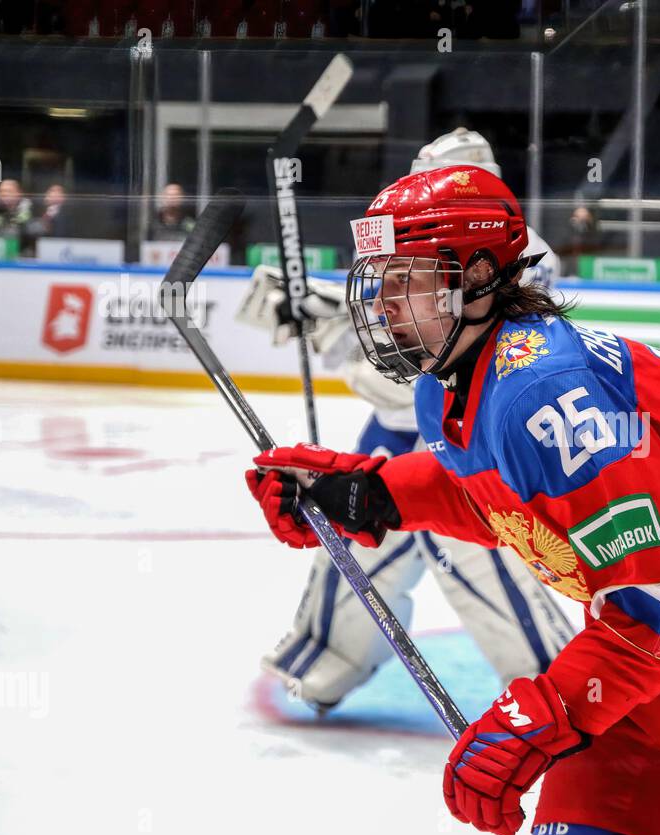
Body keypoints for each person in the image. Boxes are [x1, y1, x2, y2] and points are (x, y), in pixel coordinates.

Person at [244, 165, 660, 835]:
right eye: (381, 281)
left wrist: (541, 715)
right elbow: (499, 494)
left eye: (407, 279)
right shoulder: (450, 385)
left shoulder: (542, 391)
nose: (385, 304)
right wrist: (372, 496)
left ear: (480, 272)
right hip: (639, 682)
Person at [236, 129, 571, 711]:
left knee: (478, 557)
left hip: (472, 436)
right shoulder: (432, 244)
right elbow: (399, 316)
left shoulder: (510, 256)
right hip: (403, 431)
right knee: (356, 530)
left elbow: (433, 361)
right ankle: (325, 655)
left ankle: (555, 688)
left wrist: (331, 334)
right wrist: (316, 306)